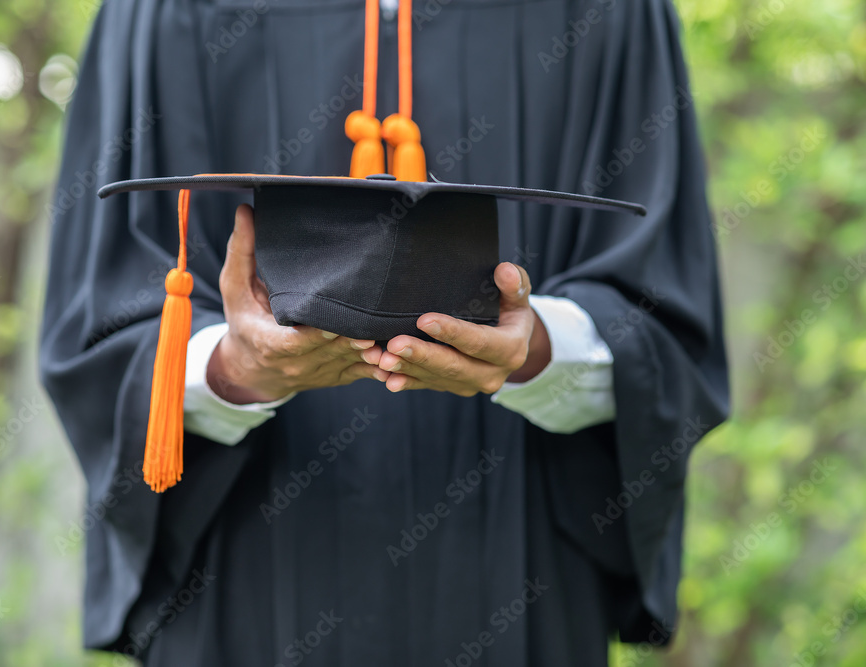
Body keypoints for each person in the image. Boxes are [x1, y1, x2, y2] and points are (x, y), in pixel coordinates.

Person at [39, 0, 729, 664]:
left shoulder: (608, 9)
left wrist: (532, 350)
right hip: (239, 584)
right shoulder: (163, 9)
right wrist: (233, 369)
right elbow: (95, 319)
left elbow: (668, 318)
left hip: (520, 575)